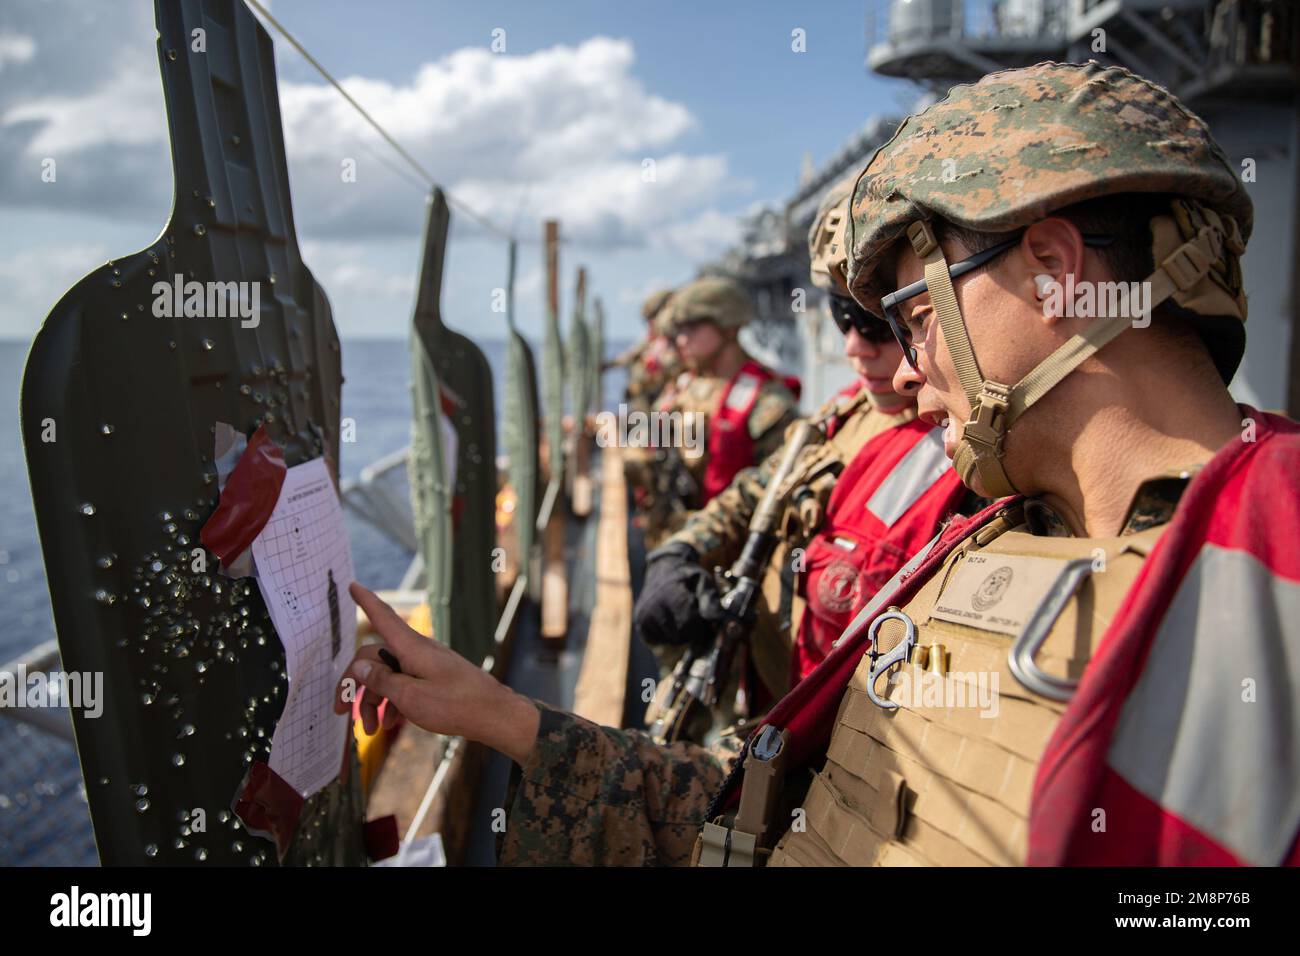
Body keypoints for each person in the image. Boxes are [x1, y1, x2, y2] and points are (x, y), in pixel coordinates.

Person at [337, 61, 1298, 867]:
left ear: (1055, 268)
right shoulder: (978, 549)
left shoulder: (1275, 570)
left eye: (916, 317)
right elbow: (772, 817)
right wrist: (499, 714)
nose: (911, 370)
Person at [635, 176, 972, 725]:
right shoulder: (842, 413)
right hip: (769, 694)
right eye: (843, 320)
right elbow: (759, 487)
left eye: (879, 324)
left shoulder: (968, 459)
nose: (852, 349)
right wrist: (682, 552)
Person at [625, 276, 800, 547]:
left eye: (692, 328)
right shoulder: (686, 384)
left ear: (728, 328)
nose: (681, 340)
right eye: (679, 330)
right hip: (668, 538)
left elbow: (778, 494)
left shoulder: (767, 402)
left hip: (720, 551)